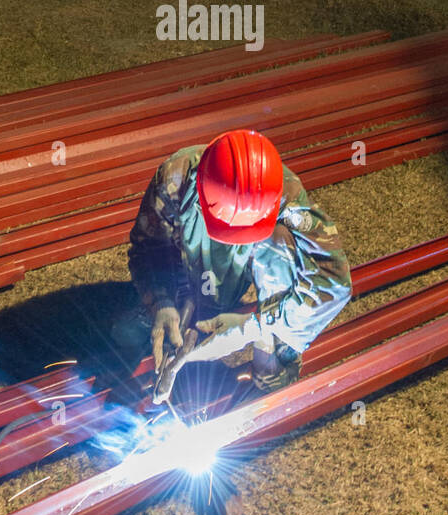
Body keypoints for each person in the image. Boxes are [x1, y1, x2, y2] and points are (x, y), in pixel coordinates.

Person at [128, 129, 352, 392]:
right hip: (189, 271)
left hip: (249, 268)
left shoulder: (282, 191)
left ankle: (271, 351)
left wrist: (256, 326)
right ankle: (175, 313)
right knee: (125, 332)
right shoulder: (176, 177)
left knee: (279, 241)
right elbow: (147, 248)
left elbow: (334, 282)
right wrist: (161, 302)